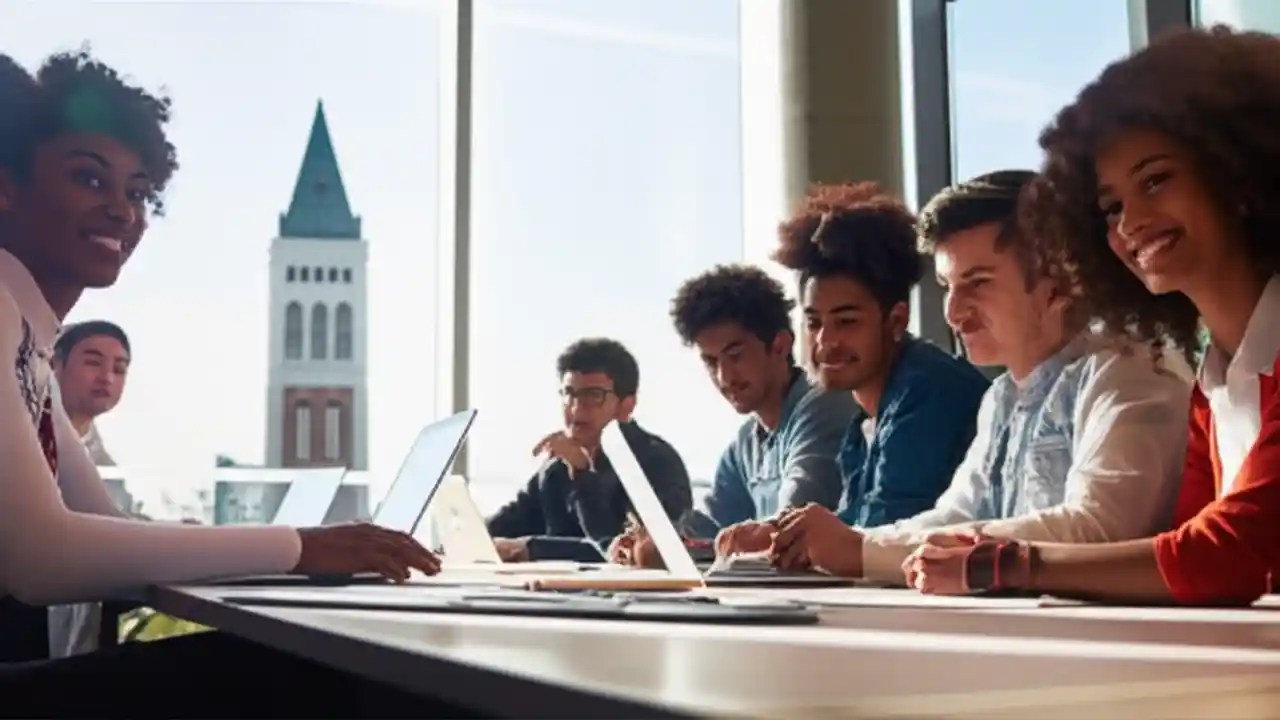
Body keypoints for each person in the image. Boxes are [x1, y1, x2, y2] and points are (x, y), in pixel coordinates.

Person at [0, 49, 450, 715]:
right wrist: (302, 546)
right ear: (7, 186)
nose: (122, 211)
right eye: (89, 179)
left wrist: (286, 548)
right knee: (344, 674)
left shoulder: (31, 348)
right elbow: (43, 559)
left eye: (138, 192)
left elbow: (101, 525)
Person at [908, 26, 1280, 605]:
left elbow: (1225, 554)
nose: (1131, 222)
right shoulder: (1215, 381)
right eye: (1110, 206)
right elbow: (1185, 556)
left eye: (1156, 180)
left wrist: (1004, 565)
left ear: (1239, 171)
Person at [760, 170, 1194, 582]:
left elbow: (1100, 527)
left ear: (1059, 284)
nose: (952, 313)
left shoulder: (1131, 370)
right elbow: (954, 516)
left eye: (978, 283)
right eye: (948, 287)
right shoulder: (1002, 397)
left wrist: (862, 552)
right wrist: (843, 544)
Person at [718, 182, 989, 556]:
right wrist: (779, 533)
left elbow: (884, 528)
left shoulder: (930, 391)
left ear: (896, 321)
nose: (825, 341)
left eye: (846, 322)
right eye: (814, 323)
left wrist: (788, 538)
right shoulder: (861, 426)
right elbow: (855, 526)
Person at [669, 264, 855, 527]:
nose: (724, 377)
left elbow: (794, 520)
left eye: (735, 356)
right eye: (711, 362)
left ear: (780, 346)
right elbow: (714, 527)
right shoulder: (745, 444)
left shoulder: (825, 406)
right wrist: (665, 538)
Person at [486, 338, 693, 563]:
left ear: (627, 404)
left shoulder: (657, 462)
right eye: (569, 394)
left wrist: (582, 476)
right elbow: (501, 527)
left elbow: (624, 551)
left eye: (593, 395)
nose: (576, 408)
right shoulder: (556, 468)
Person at [52, 319, 129, 466]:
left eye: (119, 369)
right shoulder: (18, 433)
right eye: (93, 362)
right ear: (54, 363)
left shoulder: (103, 465)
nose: (107, 378)